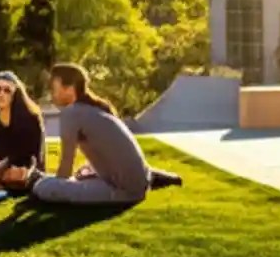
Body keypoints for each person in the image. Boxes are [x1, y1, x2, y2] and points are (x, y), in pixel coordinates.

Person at [30, 63, 181, 205]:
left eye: (54, 88)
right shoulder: (96, 108)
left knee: (42, 187)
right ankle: (153, 176)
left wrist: (52, 185)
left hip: (123, 191)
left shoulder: (72, 113)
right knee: (84, 172)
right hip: (137, 180)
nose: (52, 94)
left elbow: (65, 168)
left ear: (70, 89)